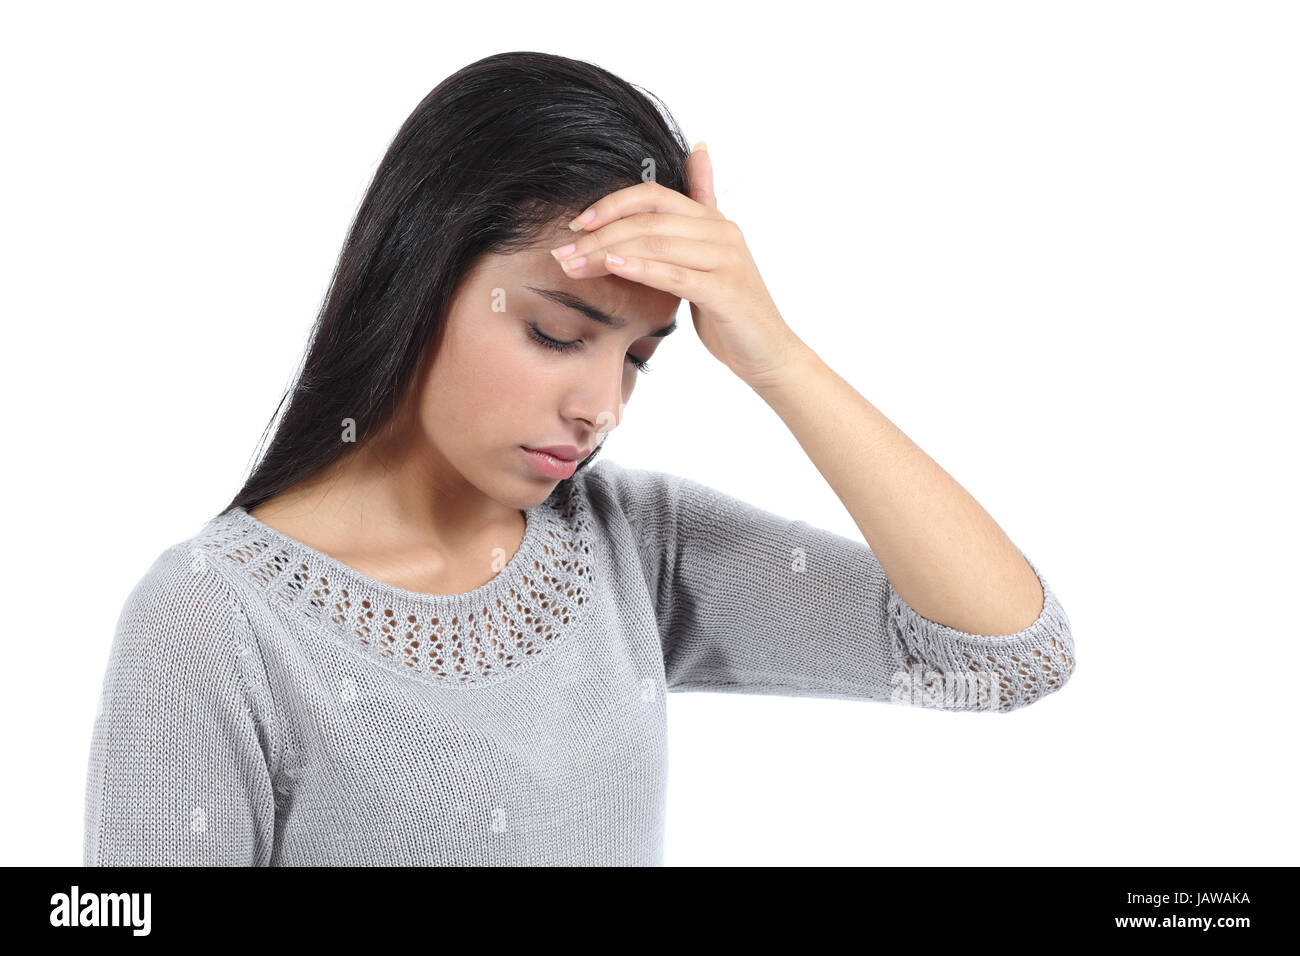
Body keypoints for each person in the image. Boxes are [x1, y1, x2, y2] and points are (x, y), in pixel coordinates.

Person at [83, 51, 1076, 867]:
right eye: (559, 334)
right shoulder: (215, 622)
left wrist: (778, 357)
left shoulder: (634, 550)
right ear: (418, 277)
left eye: (639, 358)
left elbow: (1003, 654)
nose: (598, 407)